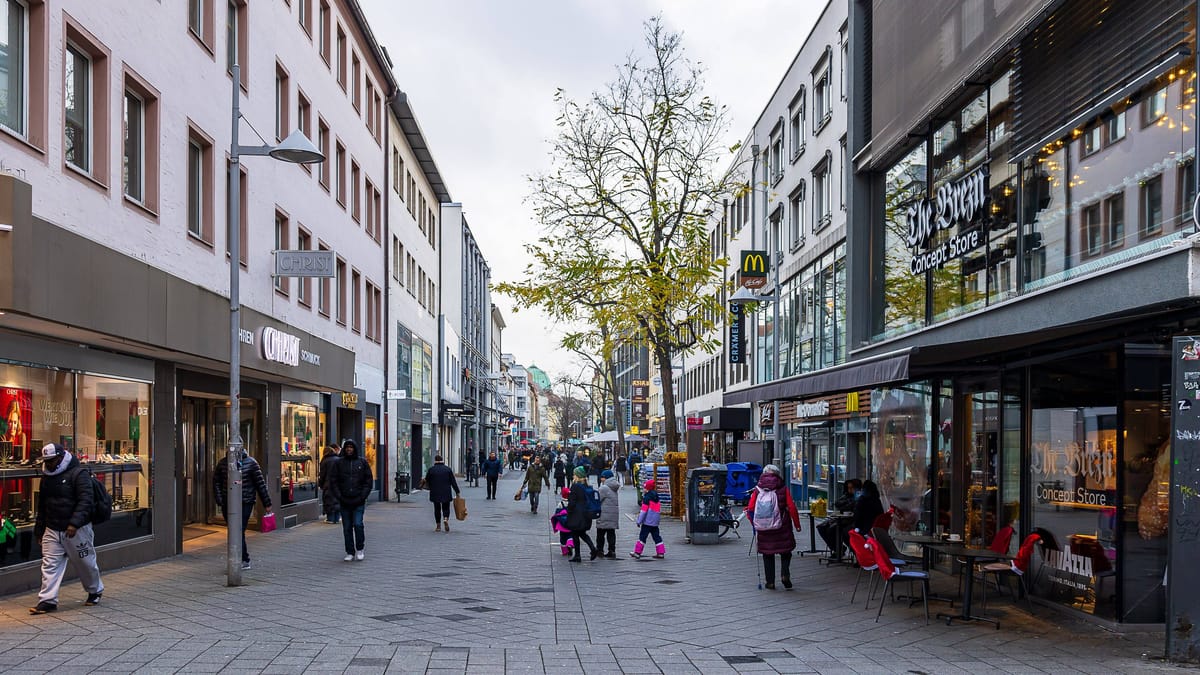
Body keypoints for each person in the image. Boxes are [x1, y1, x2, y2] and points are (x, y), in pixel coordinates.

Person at [28, 443, 103, 614]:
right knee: (49, 564)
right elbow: (43, 506)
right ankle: (47, 600)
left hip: (77, 529)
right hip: (53, 527)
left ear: (61, 457)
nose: (48, 464)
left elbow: (86, 501)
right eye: (46, 460)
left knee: (85, 563)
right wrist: (40, 531)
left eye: (52, 460)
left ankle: (95, 590)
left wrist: (74, 523)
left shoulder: (79, 474)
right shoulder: (47, 476)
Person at [214, 445, 272, 571]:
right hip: (227, 503)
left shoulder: (251, 463)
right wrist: (220, 500)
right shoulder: (223, 463)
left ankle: (242, 559)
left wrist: (267, 504)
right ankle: (241, 559)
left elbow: (260, 484)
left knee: (238, 530)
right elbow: (216, 482)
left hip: (245, 502)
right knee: (235, 531)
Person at [747, 464, 801, 589]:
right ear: (777, 474)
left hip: (763, 527)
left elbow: (750, 508)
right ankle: (785, 574)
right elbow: (792, 507)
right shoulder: (783, 488)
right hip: (782, 525)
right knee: (786, 552)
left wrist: (755, 524)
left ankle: (770, 582)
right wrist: (797, 525)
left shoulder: (758, 489)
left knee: (767, 554)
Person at [328, 439, 372, 561]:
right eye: (347, 447)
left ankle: (360, 549)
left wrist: (362, 496)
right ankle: (350, 552)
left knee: (358, 524)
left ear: (355, 449)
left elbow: (368, 481)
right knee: (347, 527)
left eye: (351, 447)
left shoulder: (362, 462)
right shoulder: (339, 463)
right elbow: (333, 481)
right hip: (344, 501)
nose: (349, 449)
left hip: (358, 500)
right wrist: (339, 496)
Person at [817, 478, 860, 559]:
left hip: (850, 521)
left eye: (852, 488)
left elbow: (852, 507)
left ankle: (840, 550)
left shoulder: (858, 497)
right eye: (848, 488)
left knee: (832, 530)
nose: (850, 490)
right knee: (821, 527)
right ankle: (837, 549)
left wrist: (846, 506)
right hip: (841, 519)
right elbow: (837, 503)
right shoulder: (846, 495)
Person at [565, 467, 599, 562]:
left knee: (575, 533)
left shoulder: (575, 486)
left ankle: (578, 555)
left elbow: (572, 502)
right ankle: (592, 549)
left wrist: (569, 511)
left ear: (577, 476)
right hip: (586, 513)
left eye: (574, 474)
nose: (573, 476)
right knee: (581, 533)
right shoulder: (587, 486)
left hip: (577, 514)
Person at [424, 455, 460, 532]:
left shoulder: (431, 470)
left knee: (437, 509)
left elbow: (427, 480)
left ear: (435, 460)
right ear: (442, 460)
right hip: (446, 491)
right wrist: (457, 492)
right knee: (446, 507)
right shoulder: (448, 469)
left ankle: (438, 526)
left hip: (435, 492)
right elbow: (453, 482)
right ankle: (445, 519)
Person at [630, 479, 664, 559]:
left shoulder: (646, 498)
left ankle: (637, 552)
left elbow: (643, 512)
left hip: (647, 522)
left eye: (644, 488)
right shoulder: (656, 497)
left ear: (647, 489)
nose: (643, 489)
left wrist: (639, 521)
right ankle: (661, 552)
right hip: (655, 522)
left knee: (642, 537)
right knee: (657, 537)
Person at [595, 469, 621, 558]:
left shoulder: (604, 488)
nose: (601, 479)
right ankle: (612, 550)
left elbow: (598, 500)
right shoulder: (614, 486)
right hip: (613, 514)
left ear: (605, 478)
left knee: (600, 534)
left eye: (602, 477)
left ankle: (599, 550)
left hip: (604, 514)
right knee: (611, 533)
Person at [318, 444, 341, 524]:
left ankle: (330, 518)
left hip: (328, 484)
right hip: (338, 484)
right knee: (337, 500)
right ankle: (337, 518)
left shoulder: (325, 461)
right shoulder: (338, 459)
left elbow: (322, 474)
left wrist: (321, 484)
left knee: (329, 500)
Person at [551, 487, 574, 556]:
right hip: (570, 523)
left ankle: (564, 551)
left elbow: (557, 513)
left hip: (562, 525)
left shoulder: (560, 504)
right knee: (570, 535)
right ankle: (570, 544)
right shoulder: (572, 503)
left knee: (562, 538)